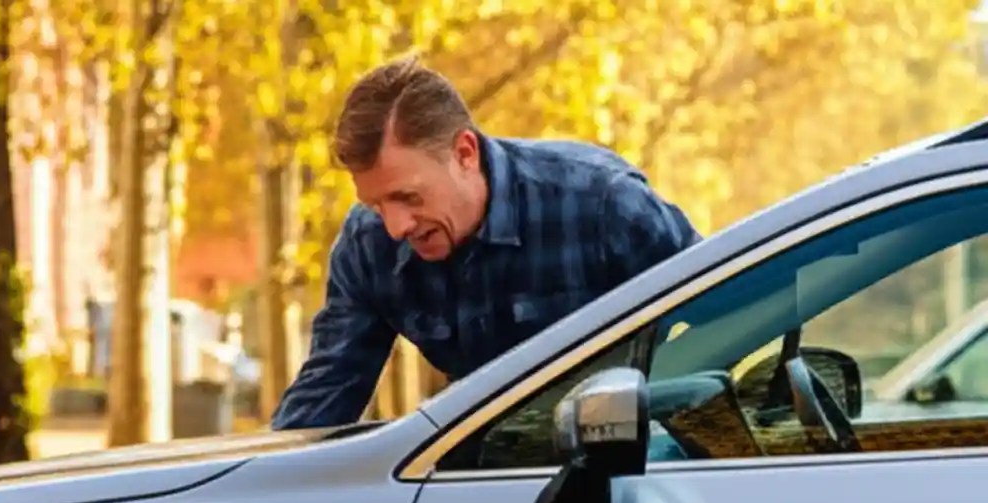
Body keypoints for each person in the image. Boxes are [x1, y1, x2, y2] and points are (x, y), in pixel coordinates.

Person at [270, 56, 701, 430]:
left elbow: (721, 310)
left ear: (465, 153)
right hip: (482, 483)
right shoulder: (367, 246)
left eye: (407, 197)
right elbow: (323, 397)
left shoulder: (605, 205)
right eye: (377, 205)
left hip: (626, 471)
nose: (396, 226)